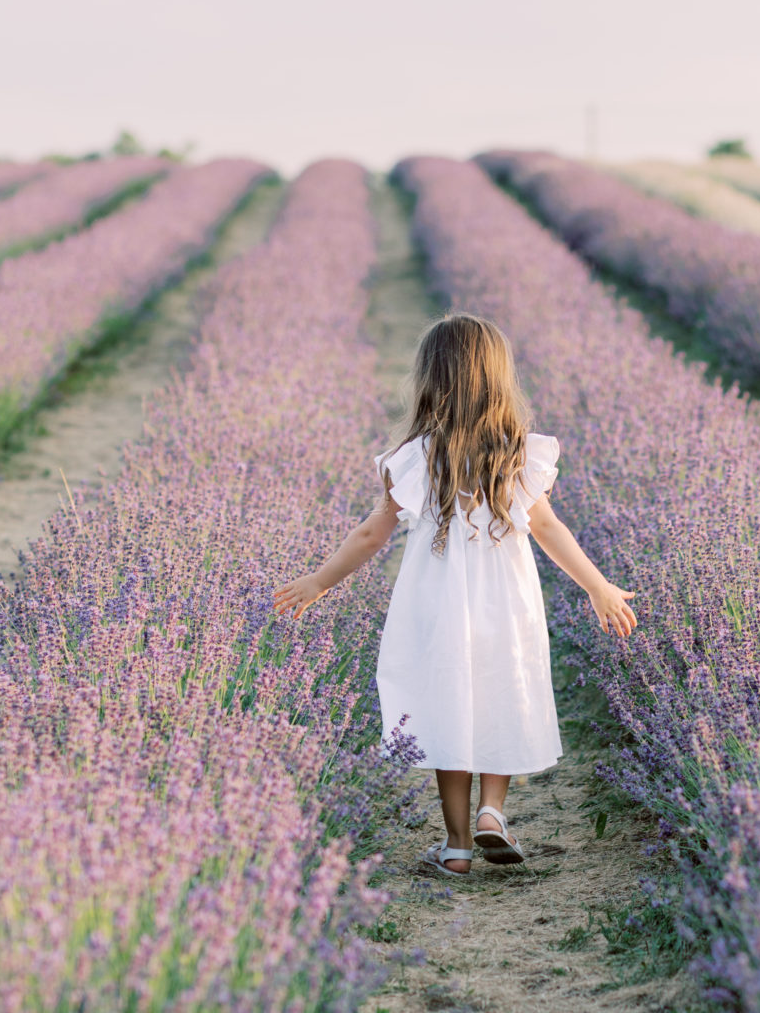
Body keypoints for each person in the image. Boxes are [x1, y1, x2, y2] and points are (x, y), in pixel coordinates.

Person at [272, 313, 636, 876]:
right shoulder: (518, 454)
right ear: (498, 379)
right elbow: (548, 530)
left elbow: (373, 532)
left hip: (436, 607)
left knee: (449, 708)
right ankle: (494, 811)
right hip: (506, 606)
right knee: (499, 694)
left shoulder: (415, 457)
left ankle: (459, 846)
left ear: (430, 379)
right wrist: (598, 587)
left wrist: (319, 581)